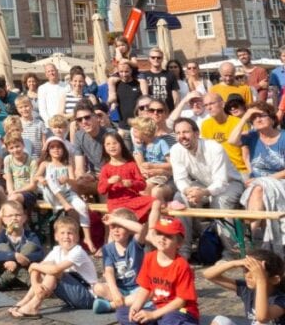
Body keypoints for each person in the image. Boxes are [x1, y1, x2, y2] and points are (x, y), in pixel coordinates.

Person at [170, 117, 245, 253]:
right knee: (179, 198)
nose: (182, 136)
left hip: (231, 183)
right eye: (178, 133)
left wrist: (203, 193)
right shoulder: (176, 150)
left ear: (197, 133)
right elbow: (180, 179)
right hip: (204, 184)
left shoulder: (214, 147)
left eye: (185, 132)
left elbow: (221, 182)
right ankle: (184, 251)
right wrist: (188, 191)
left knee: (219, 200)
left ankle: (233, 251)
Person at [10, 215, 101, 317]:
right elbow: (39, 268)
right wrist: (35, 283)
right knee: (47, 267)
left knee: (54, 271)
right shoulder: (57, 250)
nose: (66, 236)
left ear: (77, 237)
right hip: (72, 296)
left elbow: (55, 269)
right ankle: (25, 301)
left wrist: (34, 265)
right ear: (56, 236)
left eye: (70, 233)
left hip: (88, 297)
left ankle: (34, 306)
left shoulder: (78, 251)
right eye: (62, 233)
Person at [116, 216, 198, 325]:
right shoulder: (149, 258)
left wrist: (153, 315)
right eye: (159, 233)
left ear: (179, 243)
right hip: (157, 307)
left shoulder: (181, 265)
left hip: (181, 311)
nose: (162, 238)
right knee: (122, 312)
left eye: (168, 236)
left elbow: (181, 301)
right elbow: (146, 288)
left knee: (170, 319)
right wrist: (136, 307)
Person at [228, 102, 285, 248]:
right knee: (258, 189)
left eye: (262, 116)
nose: (257, 119)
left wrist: (264, 180)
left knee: (259, 188)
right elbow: (231, 140)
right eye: (254, 118)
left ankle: (249, 236)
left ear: (272, 119)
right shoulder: (252, 136)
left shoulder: (283, 137)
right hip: (256, 185)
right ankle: (251, 238)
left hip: (279, 182)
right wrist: (245, 116)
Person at [37, 136, 94, 252]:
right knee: (49, 178)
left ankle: (87, 238)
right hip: (52, 196)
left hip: (67, 194)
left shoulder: (67, 165)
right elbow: (36, 176)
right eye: (52, 147)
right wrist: (41, 179)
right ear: (48, 150)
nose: (56, 150)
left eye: (58, 147)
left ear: (63, 149)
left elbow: (75, 184)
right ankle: (64, 203)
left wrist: (67, 180)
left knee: (81, 206)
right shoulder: (45, 164)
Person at [203, 249, 285, 325]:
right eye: (246, 270)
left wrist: (261, 281)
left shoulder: (281, 299)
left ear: (274, 279)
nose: (248, 276)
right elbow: (208, 275)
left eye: (255, 273)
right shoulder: (247, 289)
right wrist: (234, 263)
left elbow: (262, 318)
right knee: (219, 321)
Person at [0, 199, 44, 292]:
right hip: (9, 270)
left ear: (24, 218)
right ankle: (33, 284)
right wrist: (13, 256)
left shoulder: (30, 235)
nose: (14, 218)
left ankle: (0, 282)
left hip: (25, 269)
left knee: (30, 246)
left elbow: (40, 253)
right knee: (2, 246)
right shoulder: (2, 235)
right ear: (3, 220)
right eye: (10, 215)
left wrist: (22, 259)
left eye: (18, 215)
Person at [99, 132, 157, 221]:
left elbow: (142, 185)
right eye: (108, 144)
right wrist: (109, 182)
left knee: (156, 202)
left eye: (115, 143)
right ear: (104, 148)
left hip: (132, 200)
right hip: (115, 203)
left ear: (121, 145)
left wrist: (132, 183)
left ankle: (151, 230)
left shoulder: (131, 165)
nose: (112, 146)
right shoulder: (105, 168)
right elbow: (101, 190)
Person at [3, 131, 38, 210]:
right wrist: (11, 191)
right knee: (9, 199)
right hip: (14, 192)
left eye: (17, 146)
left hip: (29, 192)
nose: (15, 150)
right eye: (11, 148)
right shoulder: (8, 159)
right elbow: (9, 180)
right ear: (7, 149)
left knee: (13, 200)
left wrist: (16, 192)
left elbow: (33, 185)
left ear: (23, 145)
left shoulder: (32, 162)